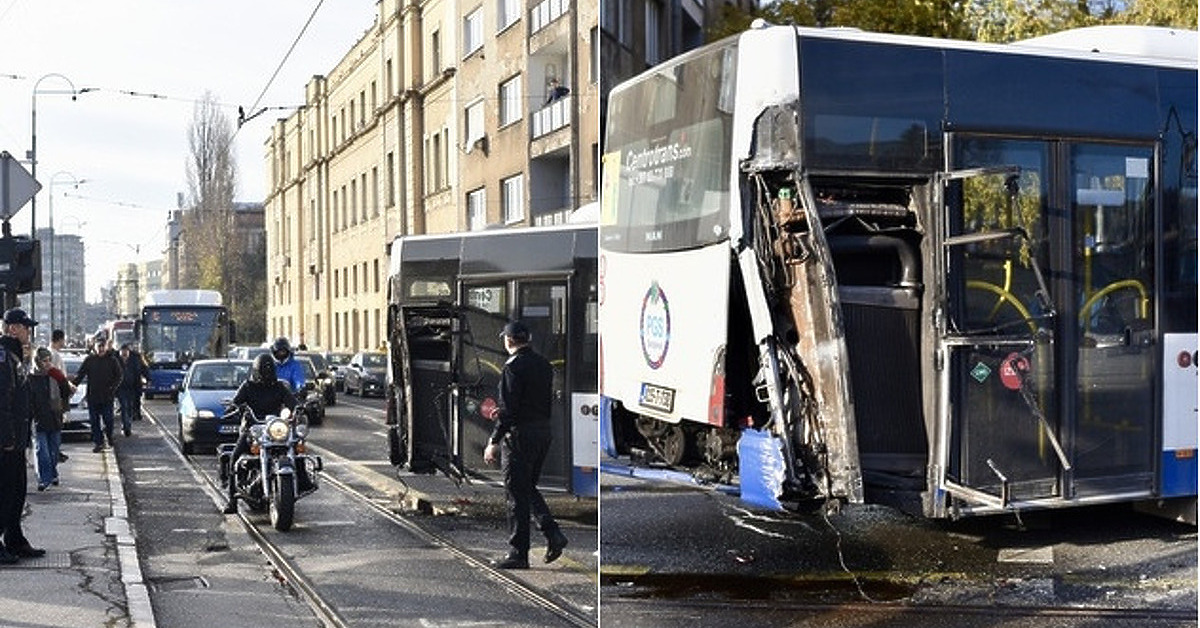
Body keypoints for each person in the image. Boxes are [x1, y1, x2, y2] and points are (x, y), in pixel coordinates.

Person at [482, 319, 567, 569]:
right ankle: (552, 533)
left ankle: (518, 554)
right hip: (542, 433)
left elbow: (510, 410)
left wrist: (494, 440)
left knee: (515, 495)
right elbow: (532, 401)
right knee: (527, 488)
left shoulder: (513, 367)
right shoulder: (543, 364)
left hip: (519, 437)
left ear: (509, 340)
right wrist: (506, 412)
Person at [224, 354, 297, 514]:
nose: (268, 373)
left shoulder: (279, 387)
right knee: (235, 457)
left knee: (296, 448)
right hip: (253, 429)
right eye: (264, 370)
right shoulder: (248, 386)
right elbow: (236, 401)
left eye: (270, 370)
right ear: (257, 370)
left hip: (274, 429)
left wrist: (299, 407)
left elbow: (292, 402)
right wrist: (234, 407)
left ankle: (300, 482)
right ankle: (232, 500)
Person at [0, 308, 45, 562]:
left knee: (17, 492)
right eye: (26, 327)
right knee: (4, 493)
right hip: (6, 442)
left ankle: (15, 539)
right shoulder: (3, 357)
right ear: (13, 329)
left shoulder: (15, 357)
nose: (29, 332)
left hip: (17, 440)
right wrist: (7, 439)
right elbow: (2, 402)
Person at [30, 347, 72, 491]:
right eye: (44, 361)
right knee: (43, 452)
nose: (47, 363)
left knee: (54, 451)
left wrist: (61, 378)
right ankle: (44, 479)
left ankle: (53, 473)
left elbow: (66, 393)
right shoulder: (31, 378)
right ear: (37, 362)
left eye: (49, 360)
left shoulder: (55, 375)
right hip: (39, 420)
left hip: (55, 418)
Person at [73, 336, 123, 452]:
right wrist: (72, 386)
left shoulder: (112, 360)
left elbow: (119, 376)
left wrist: (113, 388)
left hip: (107, 396)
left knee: (108, 419)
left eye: (102, 347)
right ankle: (98, 442)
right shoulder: (89, 360)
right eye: (98, 347)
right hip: (93, 396)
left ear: (106, 347)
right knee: (94, 421)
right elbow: (80, 375)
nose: (101, 349)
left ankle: (109, 436)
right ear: (95, 347)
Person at [116, 343, 149, 433]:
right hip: (120, 388)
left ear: (129, 352)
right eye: (123, 351)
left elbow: (144, 368)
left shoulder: (135, 359)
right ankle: (125, 425)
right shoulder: (115, 360)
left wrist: (148, 378)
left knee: (130, 406)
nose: (124, 353)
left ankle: (128, 423)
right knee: (124, 405)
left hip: (133, 387)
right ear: (120, 352)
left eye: (126, 351)